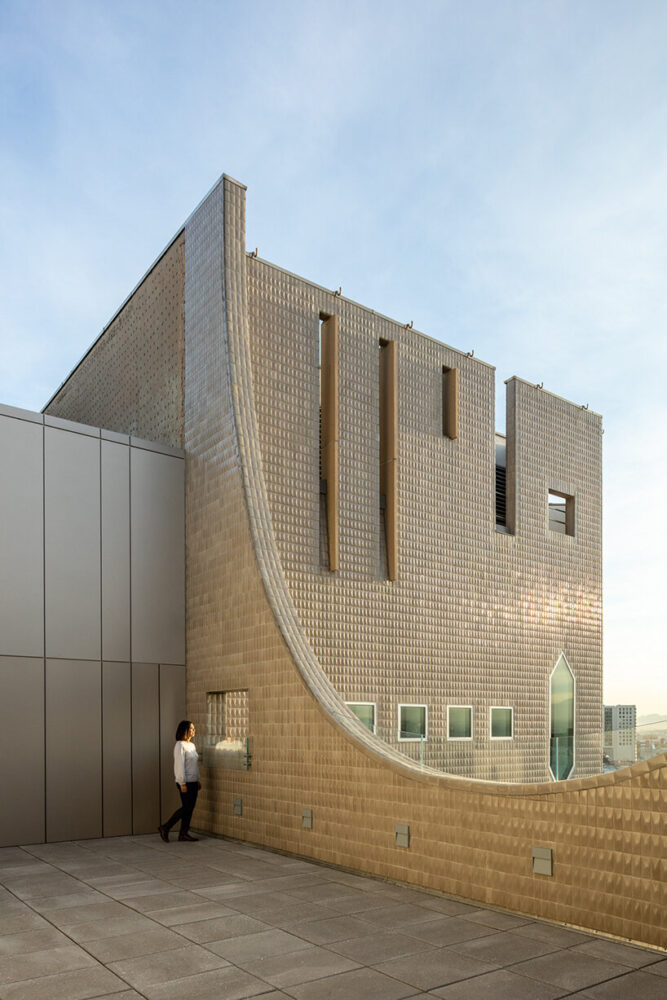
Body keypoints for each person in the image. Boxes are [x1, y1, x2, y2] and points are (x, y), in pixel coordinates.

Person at [158, 720, 201, 842]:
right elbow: (179, 765)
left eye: (194, 728)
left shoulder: (192, 745)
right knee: (186, 807)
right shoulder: (180, 745)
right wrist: (182, 782)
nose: (194, 730)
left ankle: (183, 833)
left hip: (193, 782)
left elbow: (193, 765)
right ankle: (165, 827)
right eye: (191, 729)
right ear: (185, 730)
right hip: (185, 782)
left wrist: (197, 779)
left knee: (190, 808)